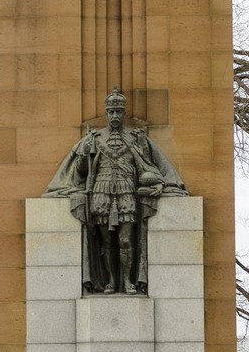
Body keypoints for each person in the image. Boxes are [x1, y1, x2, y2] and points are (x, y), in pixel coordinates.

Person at [44, 89, 187, 293]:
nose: (115, 116)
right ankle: (111, 281)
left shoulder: (136, 138)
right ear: (106, 113)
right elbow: (81, 172)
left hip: (127, 192)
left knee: (125, 240)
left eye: (119, 112)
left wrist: (160, 184)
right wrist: (84, 155)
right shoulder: (94, 138)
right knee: (108, 242)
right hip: (101, 192)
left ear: (123, 113)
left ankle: (128, 281)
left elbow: (149, 167)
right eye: (111, 112)